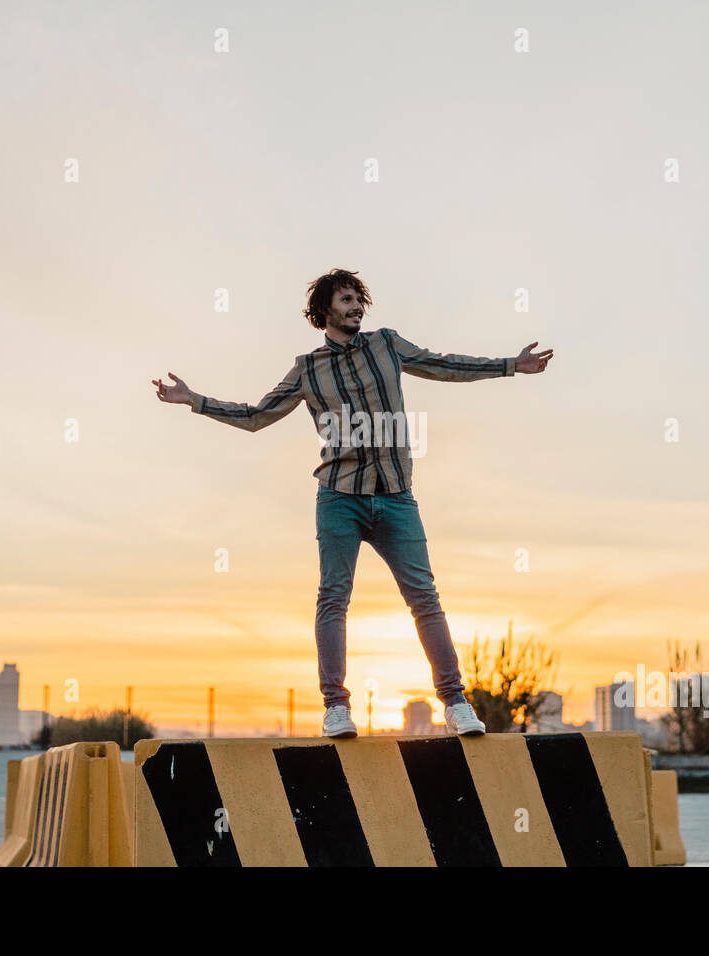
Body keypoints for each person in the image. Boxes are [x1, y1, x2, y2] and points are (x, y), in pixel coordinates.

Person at [153, 268, 553, 738]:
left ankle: (455, 702)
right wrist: (194, 400)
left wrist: (511, 365)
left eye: (359, 299)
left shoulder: (387, 344)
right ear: (324, 310)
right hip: (339, 498)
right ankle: (336, 707)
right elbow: (258, 416)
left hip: (396, 497)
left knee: (425, 599)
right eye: (346, 300)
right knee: (333, 600)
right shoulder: (308, 369)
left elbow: (444, 365)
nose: (356, 306)